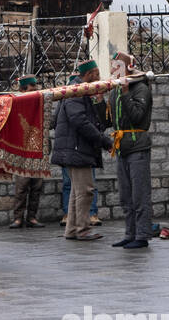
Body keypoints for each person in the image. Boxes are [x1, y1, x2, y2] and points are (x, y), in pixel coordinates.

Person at [52, 61, 113, 241]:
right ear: (90, 74)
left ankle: (72, 229)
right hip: (77, 148)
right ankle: (83, 228)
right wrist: (103, 141)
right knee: (85, 190)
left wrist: (100, 100)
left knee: (77, 192)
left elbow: (103, 121)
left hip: (77, 148)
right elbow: (80, 121)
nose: (99, 78)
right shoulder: (76, 92)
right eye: (97, 74)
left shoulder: (85, 92)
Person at [107, 52, 153, 250]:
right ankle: (129, 233)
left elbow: (136, 116)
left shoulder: (140, 88)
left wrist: (126, 93)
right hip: (121, 147)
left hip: (137, 146)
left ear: (126, 68)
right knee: (125, 194)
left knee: (139, 193)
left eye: (116, 66)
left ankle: (142, 234)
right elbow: (109, 120)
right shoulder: (114, 91)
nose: (112, 70)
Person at [9, 76, 43, 229]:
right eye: (30, 88)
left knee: (37, 186)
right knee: (22, 186)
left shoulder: (40, 102)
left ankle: (32, 217)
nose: (34, 91)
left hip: (36, 148)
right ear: (22, 90)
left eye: (35, 88)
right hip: (22, 149)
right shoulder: (16, 103)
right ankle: (18, 217)